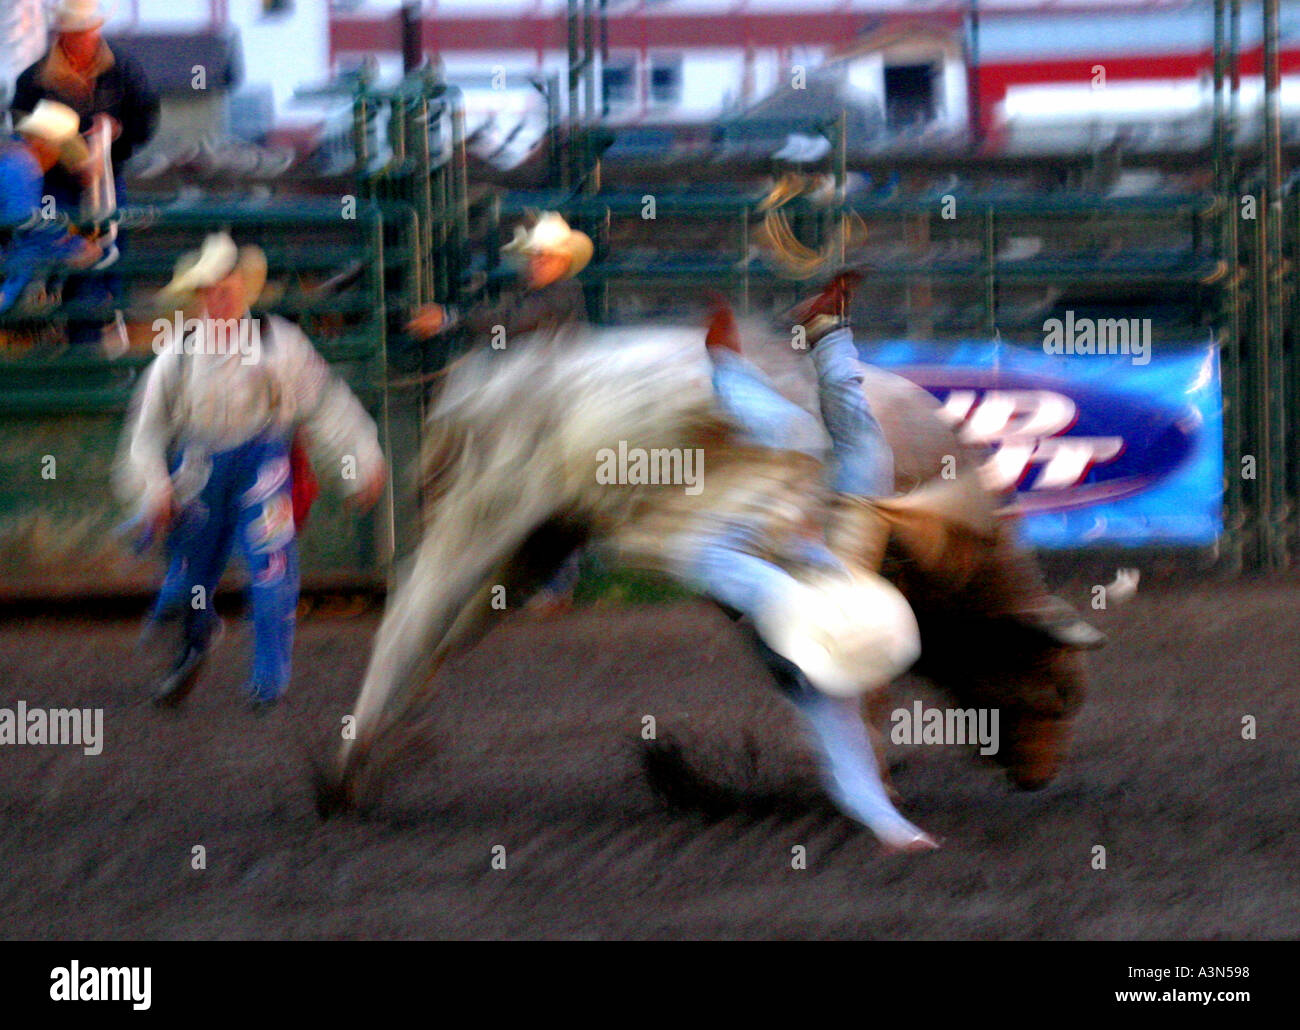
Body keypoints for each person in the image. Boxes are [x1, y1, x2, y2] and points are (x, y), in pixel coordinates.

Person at [116, 233, 387, 710]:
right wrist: (154, 488)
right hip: (200, 467)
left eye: (228, 287)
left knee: (270, 567)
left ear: (243, 290)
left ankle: (268, 679)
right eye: (210, 289)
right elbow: (147, 429)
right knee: (189, 580)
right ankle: (197, 639)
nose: (220, 297)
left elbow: (326, 404)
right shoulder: (178, 355)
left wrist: (361, 459)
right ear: (198, 297)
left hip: (263, 464)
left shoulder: (279, 342)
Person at [11, 0, 160, 343]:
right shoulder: (35, 80)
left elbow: (146, 118)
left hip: (102, 178)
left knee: (106, 252)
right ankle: (86, 335)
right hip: (58, 186)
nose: (85, 37)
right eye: (78, 31)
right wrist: (70, 156)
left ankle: (93, 324)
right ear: (64, 32)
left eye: (87, 30)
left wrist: (117, 133)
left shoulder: (121, 70)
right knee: (78, 253)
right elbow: (26, 132)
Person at [406, 210, 591, 345]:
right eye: (537, 254)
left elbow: (509, 321)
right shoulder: (523, 285)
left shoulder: (563, 290)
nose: (539, 261)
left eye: (549, 257)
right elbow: (501, 330)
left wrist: (450, 316)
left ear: (564, 264)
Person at [0, 99, 101, 311]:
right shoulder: (23, 166)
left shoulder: (15, 158)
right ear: (44, 144)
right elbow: (24, 225)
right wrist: (71, 247)